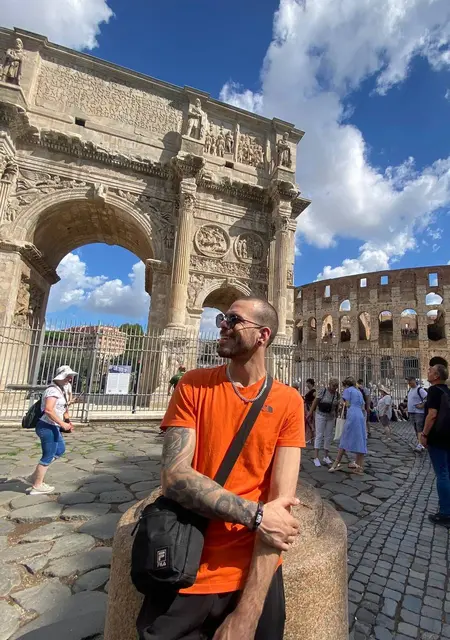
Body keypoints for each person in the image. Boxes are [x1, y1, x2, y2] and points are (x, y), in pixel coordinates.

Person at [137, 297, 304, 640]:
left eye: (233, 320)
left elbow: (281, 509)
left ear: (263, 335)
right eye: (221, 318)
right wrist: (256, 515)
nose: (222, 325)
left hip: (252, 575)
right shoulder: (193, 384)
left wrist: (248, 613)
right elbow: (174, 477)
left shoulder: (289, 401)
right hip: (185, 567)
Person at [26, 365, 77, 495]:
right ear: (60, 377)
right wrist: (62, 423)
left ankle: (35, 476)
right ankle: (37, 485)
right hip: (46, 426)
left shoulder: (61, 390)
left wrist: (67, 421)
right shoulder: (52, 391)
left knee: (60, 449)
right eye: (68, 376)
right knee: (48, 455)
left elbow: (63, 409)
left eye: (71, 376)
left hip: (53, 426)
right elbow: (48, 410)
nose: (70, 379)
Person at [420, 363, 450, 527]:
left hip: (437, 438)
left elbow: (432, 415)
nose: (428, 371)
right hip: (448, 437)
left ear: (437, 376)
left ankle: (445, 513)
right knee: (448, 472)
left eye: (430, 371)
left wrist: (424, 434)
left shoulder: (433, 391)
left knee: (442, 474)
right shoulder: (447, 391)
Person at [329, 377, 367, 474]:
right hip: (360, 415)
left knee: (345, 438)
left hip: (352, 415)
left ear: (346, 385)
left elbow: (345, 403)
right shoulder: (359, 392)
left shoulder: (347, 390)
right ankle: (359, 466)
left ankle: (336, 463)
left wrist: (343, 404)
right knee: (360, 439)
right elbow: (363, 405)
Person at [309, 377, 340, 466]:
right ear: (329, 384)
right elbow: (315, 401)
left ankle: (326, 456)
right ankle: (316, 457)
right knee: (319, 434)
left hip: (331, 416)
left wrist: (337, 416)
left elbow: (337, 406)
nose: (335, 388)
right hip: (320, 414)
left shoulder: (337, 394)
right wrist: (310, 412)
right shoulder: (323, 391)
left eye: (336, 386)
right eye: (333, 386)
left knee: (328, 436)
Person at [406, 377, 428, 451]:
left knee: (419, 428)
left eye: (410, 381)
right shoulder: (410, 390)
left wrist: (422, 405)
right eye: (408, 381)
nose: (409, 383)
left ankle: (420, 445)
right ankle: (420, 443)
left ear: (414, 381)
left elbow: (427, 397)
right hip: (412, 412)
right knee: (416, 428)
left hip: (419, 412)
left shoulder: (419, 389)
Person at [304, 378, 316, 444]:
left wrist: (311, 405)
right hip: (307, 407)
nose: (306, 385)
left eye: (307, 383)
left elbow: (316, 398)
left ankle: (310, 437)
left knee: (310, 422)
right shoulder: (310, 391)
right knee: (308, 422)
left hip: (309, 408)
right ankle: (310, 437)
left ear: (310, 383)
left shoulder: (313, 391)